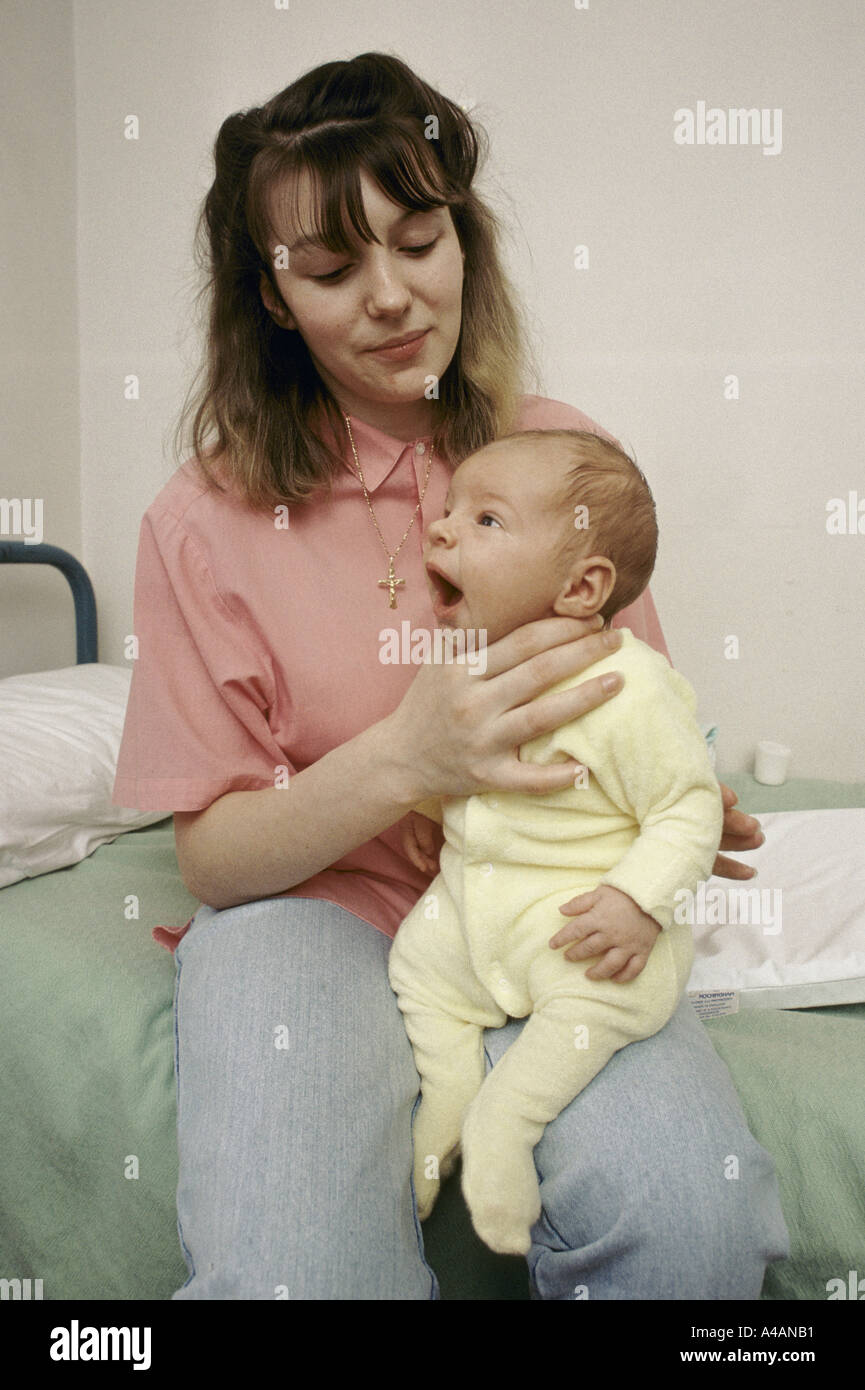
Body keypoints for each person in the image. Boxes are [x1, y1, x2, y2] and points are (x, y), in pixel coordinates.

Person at [113, 51, 789, 1299]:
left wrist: (680, 806)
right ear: (271, 298)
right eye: (330, 269)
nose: (391, 296)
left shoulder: (565, 458)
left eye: (420, 239)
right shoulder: (201, 519)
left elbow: (632, 714)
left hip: (546, 896)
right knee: (294, 1280)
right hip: (312, 915)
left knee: (695, 1221)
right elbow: (209, 856)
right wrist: (405, 762)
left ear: (462, 238)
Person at [388, 428, 724, 1256]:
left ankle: (507, 1122)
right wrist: (428, 810)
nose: (442, 530)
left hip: (580, 916)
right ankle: (451, 1083)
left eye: (487, 521)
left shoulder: (626, 685)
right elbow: (452, 770)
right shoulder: (461, 668)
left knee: (604, 995)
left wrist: (635, 900)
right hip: (476, 911)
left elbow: (687, 809)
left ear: (581, 587)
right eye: (449, 512)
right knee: (416, 962)